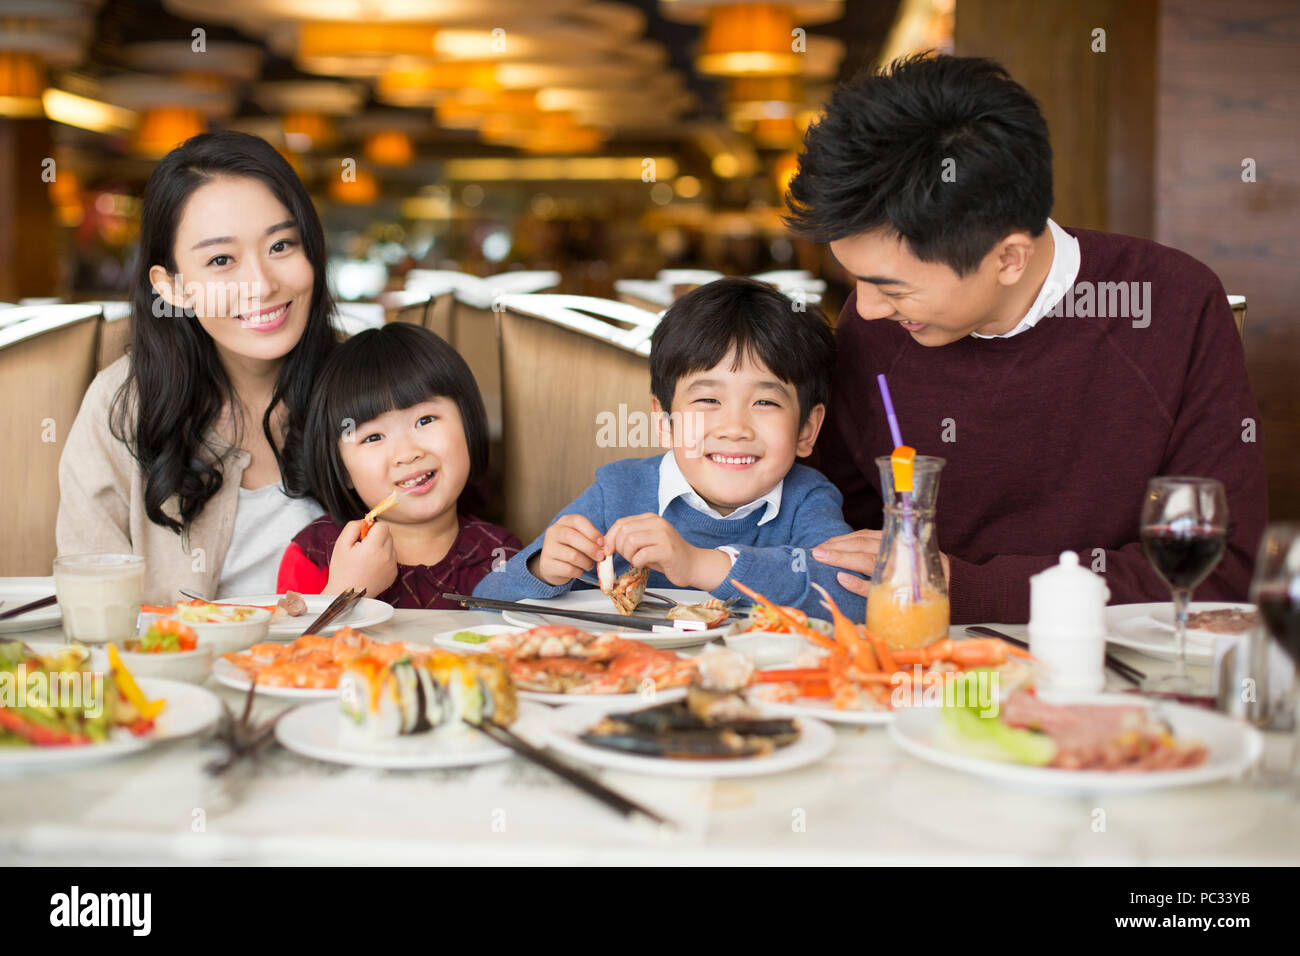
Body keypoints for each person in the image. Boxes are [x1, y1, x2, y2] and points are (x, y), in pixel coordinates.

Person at [785, 54, 1268, 624]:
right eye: (855, 280)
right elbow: (837, 526)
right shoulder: (878, 327)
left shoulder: (1169, 305)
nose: (864, 308)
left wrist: (968, 588)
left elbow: (1218, 571)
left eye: (890, 286)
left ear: (1008, 258)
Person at [476, 277, 865, 619]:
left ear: (807, 429)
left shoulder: (807, 499)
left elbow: (856, 600)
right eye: (707, 401)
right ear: (664, 422)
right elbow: (484, 602)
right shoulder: (618, 493)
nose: (734, 428)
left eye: (765, 402)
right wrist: (544, 569)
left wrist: (701, 565)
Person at [57, 131, 337, 604]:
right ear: (172, 287)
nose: (261, 284)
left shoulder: (368, 380)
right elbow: (89, 600)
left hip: (344, 671)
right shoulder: (122, 405)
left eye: (281, 246)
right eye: (222, 260)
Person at [277, 323, 521, 609]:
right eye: (373, 437)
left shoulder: (503, 557)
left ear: (468, 425)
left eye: (425, 420)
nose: (406, 454)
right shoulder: (313, 554)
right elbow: (290, 650)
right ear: (342, 470)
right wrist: (344, 592)